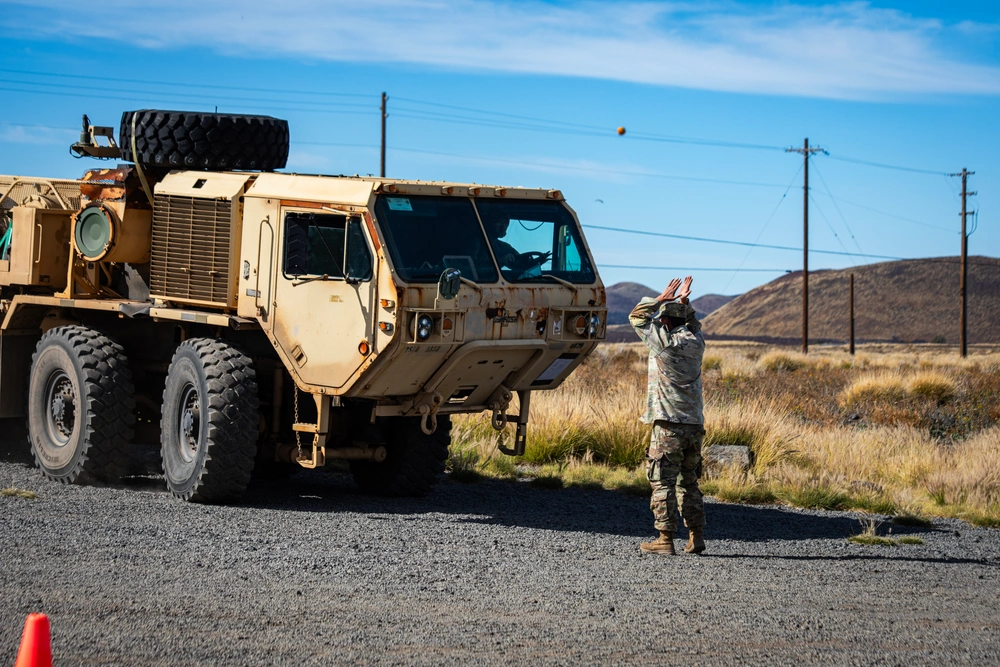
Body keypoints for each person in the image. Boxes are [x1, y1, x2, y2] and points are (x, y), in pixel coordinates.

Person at [629, 276, 706, 556]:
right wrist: (684, 303)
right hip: (695, 424)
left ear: (665, 322)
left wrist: (660, 300)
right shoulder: (696, 342)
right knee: (690, 482)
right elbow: (693, 323)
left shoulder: (665, 342)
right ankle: (696, 536)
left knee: (662, 482)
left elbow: (637, 317)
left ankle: (665, 539)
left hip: (668, 424)